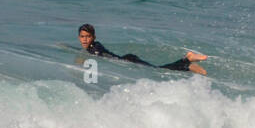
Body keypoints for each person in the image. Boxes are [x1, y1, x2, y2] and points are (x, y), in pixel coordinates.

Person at [78, 24, 207, 74]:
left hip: (128, 60)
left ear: (93, 37)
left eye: (88, 36)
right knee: (159, 69)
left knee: (158, 70)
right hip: (127, 59)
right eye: (82, 37)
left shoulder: (94, 48)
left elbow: (99, 56)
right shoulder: (94, 46)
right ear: (79, 37)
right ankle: (188, 65)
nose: (85, 39)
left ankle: (187, 60)